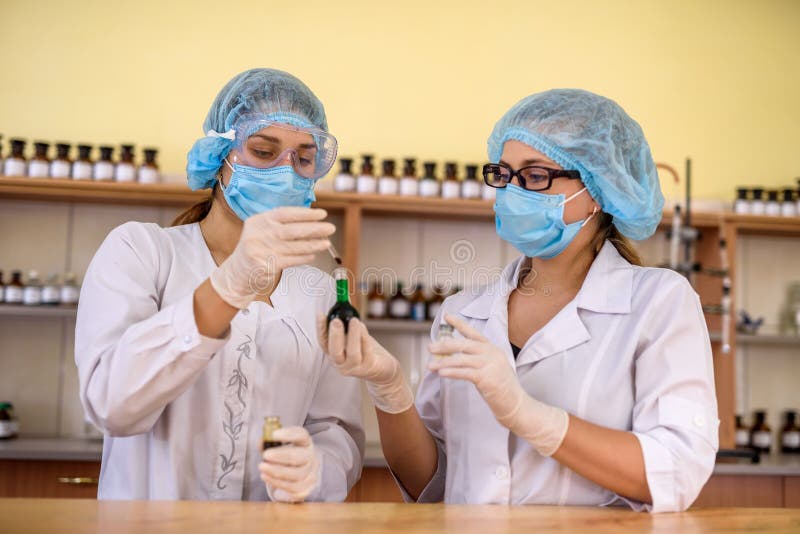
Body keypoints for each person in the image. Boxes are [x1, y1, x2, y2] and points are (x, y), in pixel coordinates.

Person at [318, 89, 718, 512]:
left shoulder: (659, 303)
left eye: (534, 176)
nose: (512, 191)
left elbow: (675, 470)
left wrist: (530, 416)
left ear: (598, 189)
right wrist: (390, 390)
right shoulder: (462, 312)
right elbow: (432, 486)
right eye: (504, 175)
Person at [75, 68, 364, 502]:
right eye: (264, 151)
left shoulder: (318, 291)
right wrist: (227, 286)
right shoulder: (141, 253)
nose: (286, 173)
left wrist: (320, 467)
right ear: (218, 155)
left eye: (303, 159)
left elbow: (335, 429)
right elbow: (111, 405)